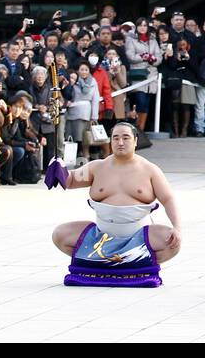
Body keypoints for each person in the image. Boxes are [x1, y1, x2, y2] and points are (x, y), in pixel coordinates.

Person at [48, 121, 182, 286]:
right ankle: (108, 264)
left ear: (135, 141)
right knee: (60, 234)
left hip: (138, 236)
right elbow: (70, 180)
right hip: (101, 236)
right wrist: (57, 167)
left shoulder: (150, 170)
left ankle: (133, 265)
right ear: (110, 141)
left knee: (172, 242)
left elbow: (168, 199)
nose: (120, 142)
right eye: (115, 138)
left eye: (126, 138)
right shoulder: (96, 167)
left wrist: (177, 227)